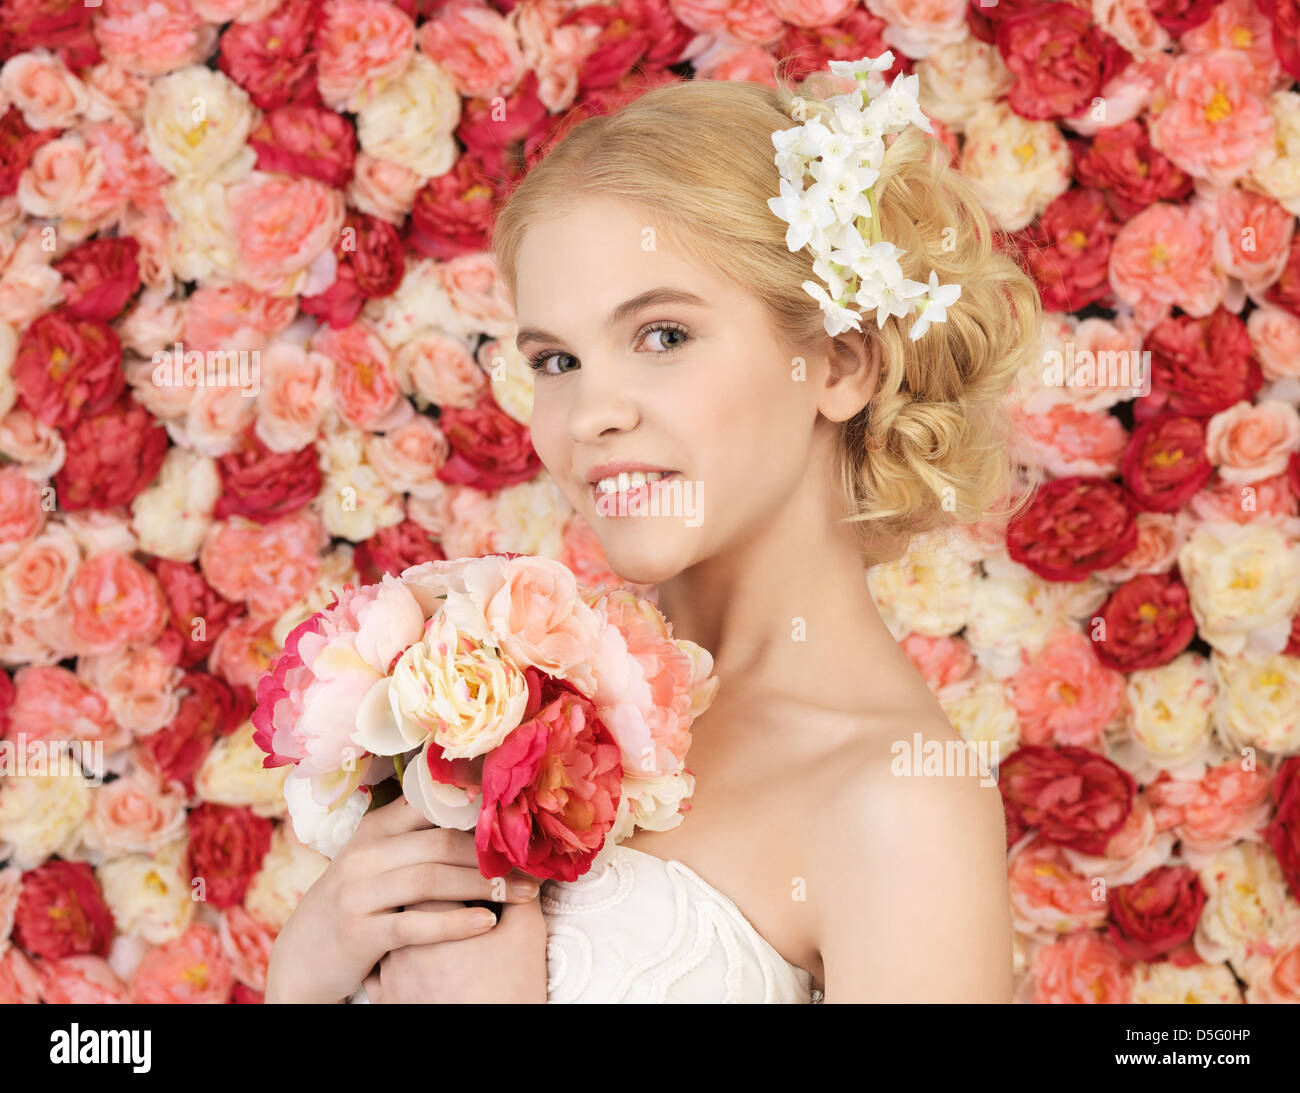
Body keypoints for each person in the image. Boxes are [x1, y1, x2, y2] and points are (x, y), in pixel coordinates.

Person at [265, 54, 1041, 1004]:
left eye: (662, 335)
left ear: (839, 363)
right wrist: (301, 975)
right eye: (556, 359)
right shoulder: (505, 703)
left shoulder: (901, 805)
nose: (590, 413)